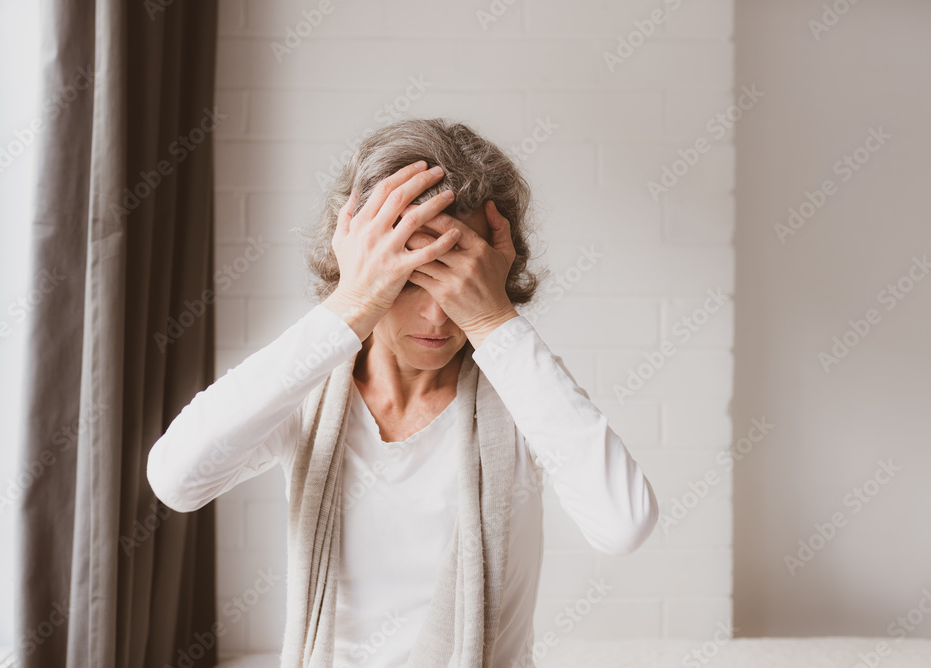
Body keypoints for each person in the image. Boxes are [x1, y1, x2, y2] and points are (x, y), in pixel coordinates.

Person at [147, 118, 659, 668]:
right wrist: (349, 305)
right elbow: (178, 479)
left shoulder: (522, 391)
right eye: (412, 278)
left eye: (457, 278)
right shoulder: (310, 392)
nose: (437, 314)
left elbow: (623, 524)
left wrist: (492, 319)